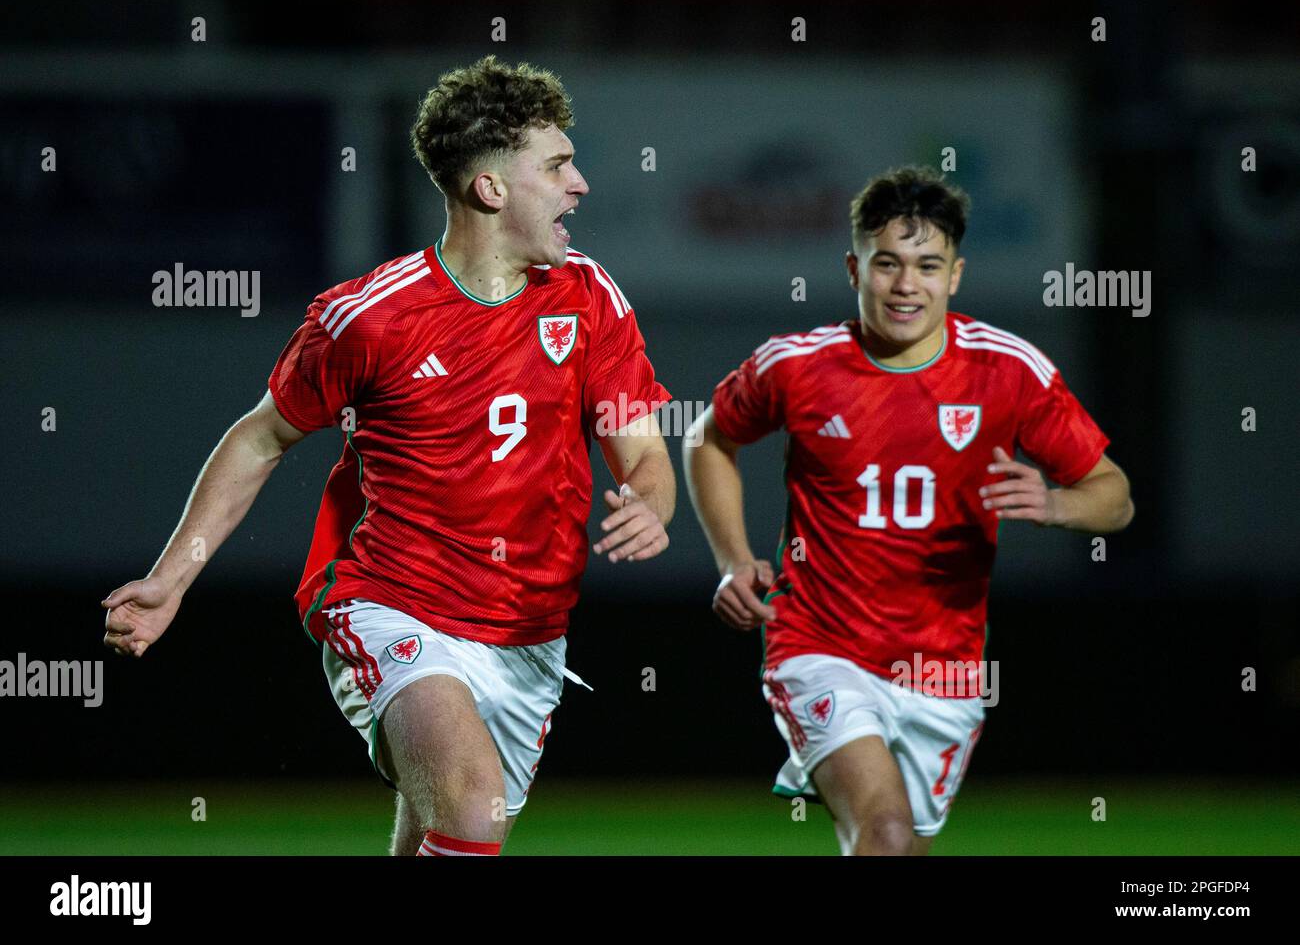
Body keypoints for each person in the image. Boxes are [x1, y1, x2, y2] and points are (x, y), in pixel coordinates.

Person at [102, 56, 675, 856]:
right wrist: (171, 578)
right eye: (557, 165)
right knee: (470, 811)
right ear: (491, 189)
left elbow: (643, 451)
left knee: (441, 837)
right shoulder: (369, 319)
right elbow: (262, 436)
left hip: (530, 634)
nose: (579, 184)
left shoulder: (588, 296)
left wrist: (650, 500)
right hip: (393, 602)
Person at [684, 166, 1133, 855]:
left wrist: (1055, 502)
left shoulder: (1007, 371)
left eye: (927, 266)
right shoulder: (798, 367)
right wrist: (733, 561)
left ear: (954, 275)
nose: (904, 285)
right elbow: (709, 437)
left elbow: (1116, 497)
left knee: (897, 846)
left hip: (944, 671)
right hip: (820, 646)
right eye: (886, 263)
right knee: (886, 834)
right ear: (852, 267)